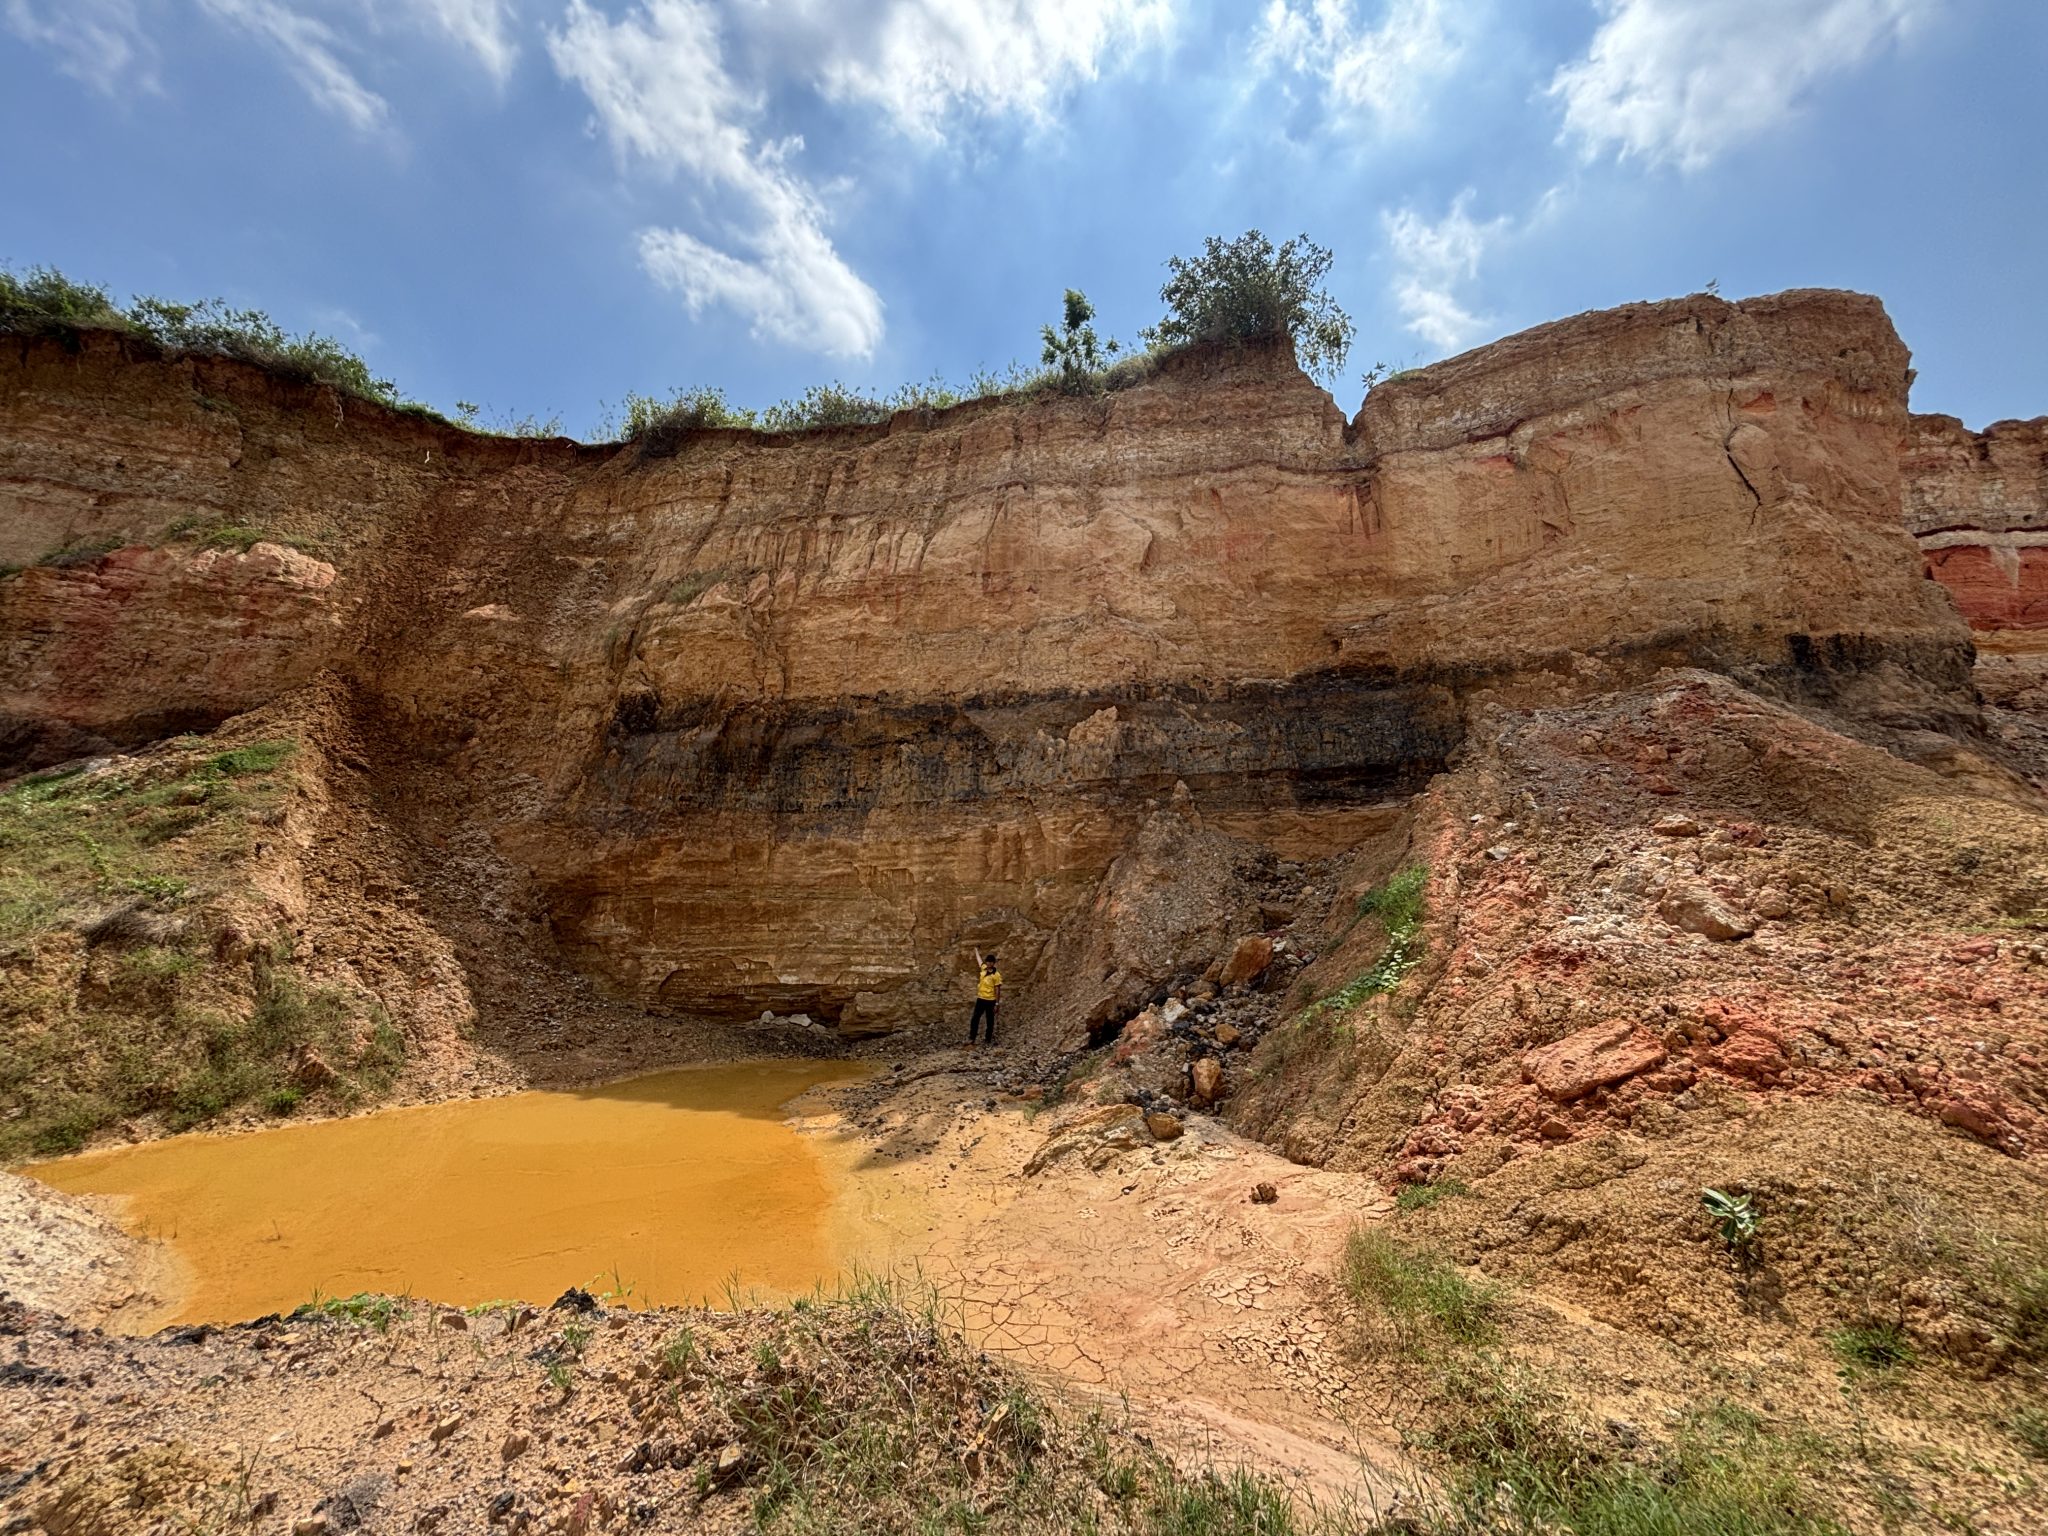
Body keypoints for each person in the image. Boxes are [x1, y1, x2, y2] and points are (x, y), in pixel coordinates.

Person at [969, 950, 1002, 1046]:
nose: (989, 963)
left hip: (990, 1000)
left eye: (991, 962)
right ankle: (972, 1038)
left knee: (990, 1020)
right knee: (975, 1018)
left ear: (993, 963)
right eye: (987, 961)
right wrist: (976, 951)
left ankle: (988, 1039)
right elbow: (979, 961)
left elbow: (997, 990)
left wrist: (997, 1003)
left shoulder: (996, 975)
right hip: (980, 999)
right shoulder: (983, 969)